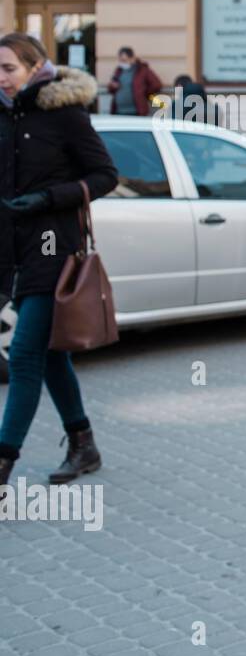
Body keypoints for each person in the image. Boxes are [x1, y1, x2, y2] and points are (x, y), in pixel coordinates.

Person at [0, 33, 119, 495]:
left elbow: (105, 175)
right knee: (51, 356)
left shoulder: (64, 114)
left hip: (54, 249)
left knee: (26, 353)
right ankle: (83, 443)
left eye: (9, 68)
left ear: (34, 67)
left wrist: (50, 197)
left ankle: (4, 462)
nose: (2, 78)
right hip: (12, 250)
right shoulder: (4, 116)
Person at [106, 46, 161, 116]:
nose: (122, 63)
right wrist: (112, 86)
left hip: (136, 111)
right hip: (119, 110)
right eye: (120, 60)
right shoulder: (119, 71)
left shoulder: (142, 70)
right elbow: (111, 88)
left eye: (124, 60)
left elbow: (156, 85)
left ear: (132, 58)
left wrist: (143, 93)